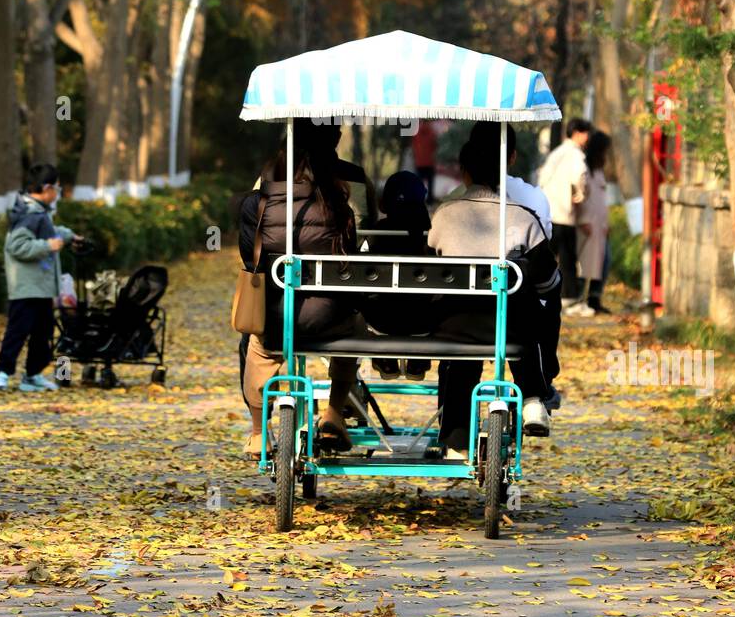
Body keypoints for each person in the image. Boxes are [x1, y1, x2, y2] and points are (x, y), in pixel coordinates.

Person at [427, 136, 561, 457]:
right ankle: (534, 396)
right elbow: (548, 284)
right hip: (509, 330)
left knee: (463, 348)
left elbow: (428, 272)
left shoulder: (444, 215)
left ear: (464, 173)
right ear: (504, 168)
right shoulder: (523, 217)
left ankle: (456, 437)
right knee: (531, 302)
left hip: (453, 328)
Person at [238, 123, 361, 457]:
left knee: (257, 344)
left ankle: (257, 431)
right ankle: (335, 412)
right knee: (354, 325)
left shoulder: (257, 204)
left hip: (276, 315)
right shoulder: (338, 205)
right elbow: (348, 259)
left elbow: (250, 260)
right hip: (328, 318)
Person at [0, 163, 80, 392]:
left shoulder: (38, 211)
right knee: (18, 331)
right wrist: (47, 246)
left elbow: (51, 231)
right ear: (47, 188)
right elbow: (16, 246)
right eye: (58, 189)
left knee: (43, 332)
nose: (58, 194)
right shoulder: (29, 214)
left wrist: (70, 237)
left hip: (41, 286)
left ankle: (32, 375)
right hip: (26, 285)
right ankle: (2, 374)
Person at [360, 170, 433, 381]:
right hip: (424, 321)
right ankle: (419, 357)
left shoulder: (376, 235)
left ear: (385, 203)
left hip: (381, 320)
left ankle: (384, 357)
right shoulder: (430, 237)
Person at [537, 117, 591, 307]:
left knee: (548, 258)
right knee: (568, 259)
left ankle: (542, 294)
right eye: (585, 133)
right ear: (578, 133)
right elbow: (580, 175)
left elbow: (541, 178)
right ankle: (569, 298)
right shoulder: (576, 155)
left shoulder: (557, 153)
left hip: (549, 212)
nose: (587, 138)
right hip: (564, 213)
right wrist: (580, 195)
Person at [469, 120, 552, 237]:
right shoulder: (537, 198)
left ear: (469, 157)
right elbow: (545, 239)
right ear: (513, 157)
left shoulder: (450, 207)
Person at [576, 129, 612, 315]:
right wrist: (582, 220)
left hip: (600, 226)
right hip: (587, 225)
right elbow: (580, 196)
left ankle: (595, 298)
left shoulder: (598, 170)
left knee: (604, 262)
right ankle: (578, 300)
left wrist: (606, 224)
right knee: (584, 265)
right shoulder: (584, 167)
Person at [412, 120, 438, 202]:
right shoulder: (432, 133)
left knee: (419, 183)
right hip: (429, 162)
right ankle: (430, 200)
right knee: (430, 182)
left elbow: (414, 146)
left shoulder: (416, 133)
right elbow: (435, 146)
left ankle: (419, 199)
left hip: (420, 162)